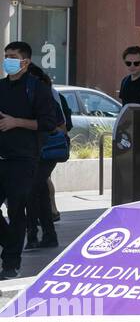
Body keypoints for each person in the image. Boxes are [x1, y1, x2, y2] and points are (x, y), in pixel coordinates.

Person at [0, 42, 62, 278]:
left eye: (13, 57)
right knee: (12, 219)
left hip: (23, 160)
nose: (8, 60)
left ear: (25, 62)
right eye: (6, 56)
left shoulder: (37, 89)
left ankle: (10, 263)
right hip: (1, 157)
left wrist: (16, 122)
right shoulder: (1, 87)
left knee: (16, 211)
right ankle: (10, 242)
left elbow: (48, 124)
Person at [25, 72, 72, 250]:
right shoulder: (23, 99)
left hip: (46, 153)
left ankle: (32, 235)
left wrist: (32, 124)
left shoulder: (51, 100)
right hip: (29, 152)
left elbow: (63, 128)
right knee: (40, 191)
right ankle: (48, 234)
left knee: (32, 189)